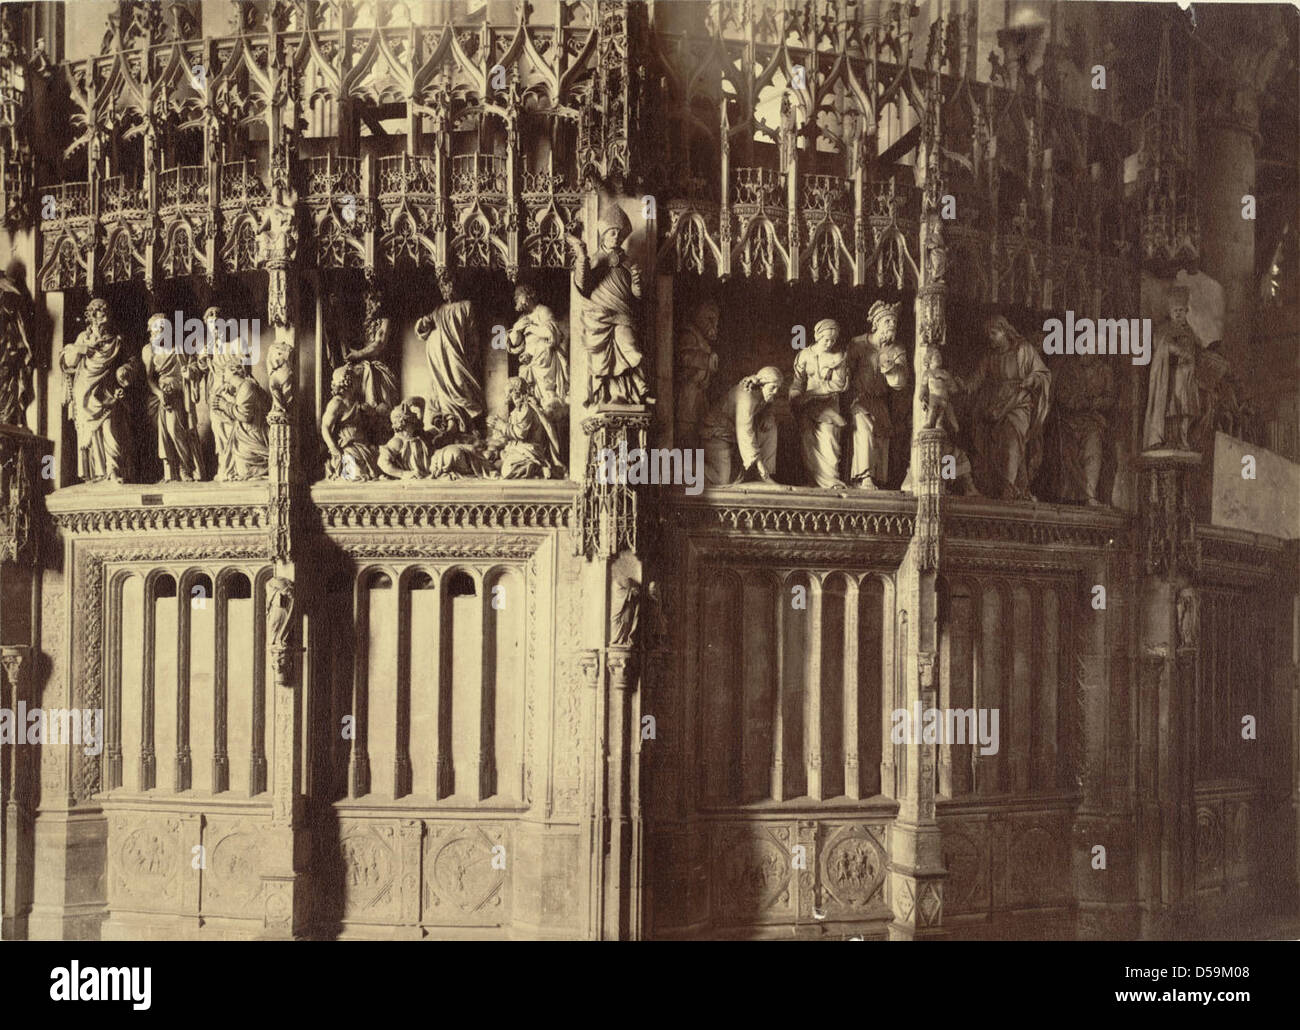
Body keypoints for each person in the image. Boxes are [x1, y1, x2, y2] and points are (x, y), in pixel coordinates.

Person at [570, 204, 648, 405]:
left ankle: (636, 391)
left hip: (623, 315)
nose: (616, 237)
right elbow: (582, 285)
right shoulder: (596, 259)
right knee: (603, 361)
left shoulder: (629, 262)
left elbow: (637, 296)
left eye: (620, 235)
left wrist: (637, 283)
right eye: (612, 233)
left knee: (631, 349)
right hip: (599, 317)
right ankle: (609, 395)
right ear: (603, 235)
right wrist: (581, 255)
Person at [968, 315, 1051, 501]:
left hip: (1019, 403)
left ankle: (1009, 488)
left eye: (994, 333)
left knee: (1012, 439)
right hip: (996, 406)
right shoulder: (990, 358)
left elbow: (1043, 373)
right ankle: (1015, 487)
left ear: (1005, 331)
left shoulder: (1024, 350)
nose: (990, 337)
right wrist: (958, 385)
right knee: (998, 447)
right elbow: (975, 382)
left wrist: (1032, 379)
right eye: (988, 334)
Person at [60, 299, 133, 483]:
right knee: (90, 433)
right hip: (85, 389)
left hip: (107, 390)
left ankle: (112, 471)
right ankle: (96, 474)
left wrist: (124, 371)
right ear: (92, 315)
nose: (105, 314)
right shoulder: (83, 338)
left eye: (107, 311)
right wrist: (82, 349)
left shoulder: (116, 341)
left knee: (110, 431)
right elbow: (69, 362)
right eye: (100, 311)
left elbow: (133, 362)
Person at [141, 312, 206, 482]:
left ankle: (186, 467)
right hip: (161, 394)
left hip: (178, 392)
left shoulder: (180, 347)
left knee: (175, 430)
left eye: (163, 327)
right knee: (163, 435)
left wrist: (189, 372)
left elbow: (194, 365)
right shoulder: (149, 350)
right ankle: (170, 471)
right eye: (156, 328)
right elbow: (148, 379)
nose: (160, 331)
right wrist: (159, 393)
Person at [417, 276, 483, 434]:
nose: (445, 290)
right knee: (443, 387)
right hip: (437, 356)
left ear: (456, 286)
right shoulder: (438, 309)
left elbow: (472, 334)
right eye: (442, 288)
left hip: (456, 353)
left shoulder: (465, 306)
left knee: (460, 384)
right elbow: (422, 331)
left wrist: (470, 355)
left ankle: (468, 424)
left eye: (448, 286)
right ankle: (451, 423)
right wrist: (423, 323)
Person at [789, 318, 850, 488]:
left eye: (833, 340)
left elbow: (838, 384)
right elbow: (798, 381)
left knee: (830, 441)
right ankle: (812, 480)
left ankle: (831, 481)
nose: (829, 343)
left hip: (828, 407)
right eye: (826, 339)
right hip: (807, 408)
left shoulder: (838, 357)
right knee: (807, 442)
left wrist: (812, 393)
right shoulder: (804, 355)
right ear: (817, 336)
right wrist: (794, 396)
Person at [1142, 285, 1202, 451]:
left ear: (1186, 311)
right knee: (1173, 407)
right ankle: (1172, 438)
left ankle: (1184, 438)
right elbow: (1163, 345)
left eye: (1181, 310)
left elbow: (1197, 347)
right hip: (1174, 375)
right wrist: (1181, 352)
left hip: (1189, 377)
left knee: (1187, 409)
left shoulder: (1190, 331)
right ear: (1170, 312)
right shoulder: (1165, 329)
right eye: (1175, 310)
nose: (1178, 313)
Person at [701, 367, 783, 486]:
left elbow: (768, 405)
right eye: (773, 387)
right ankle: (684, 466)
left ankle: (765, 475)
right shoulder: (746, 398)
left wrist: (767, 416)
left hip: (733, 435)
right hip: (716, 434)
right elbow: (745, 432)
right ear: (762, 385)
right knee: (721, 480)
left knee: (770, 426)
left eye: (778, 388)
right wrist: (758, 463)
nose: (775, 391)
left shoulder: (763, 392)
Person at [507, 284, 568, 418]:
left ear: (528, 296)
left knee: (546, 395)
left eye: (519, 297)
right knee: (525, 385)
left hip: (544, 358)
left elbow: (551, 333)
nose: (517, 300)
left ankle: (549, 402)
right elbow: (515, 342)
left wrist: (531, 328)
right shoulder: (522, 317)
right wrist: (517, 328)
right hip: (529, 360)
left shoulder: (543, 311)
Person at [491, 377, 563, 479]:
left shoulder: (526, 408)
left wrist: (502, 426)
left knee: (507, 471)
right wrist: (498, 428)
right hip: (517, 449)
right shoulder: (517, 410)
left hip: (529, 449)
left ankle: (538, 468)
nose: (506, 394)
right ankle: (532, 467)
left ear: (515, 391)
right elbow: (511, 433)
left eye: (508, 391)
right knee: (496, 465)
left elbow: (521, 433)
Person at [321, 364, 381, 481]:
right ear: (348, 382)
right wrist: (333, 448)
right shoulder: (336, 403)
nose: (359, 383)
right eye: (356, 379)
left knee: (377, 469)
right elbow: (325, 427)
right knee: (355, 475)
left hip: (363, 445)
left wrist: (370, 412)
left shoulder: (357, 402)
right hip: (346, 447)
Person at [676, 300, 720, 447]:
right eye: (710, 319)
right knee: (687, 429)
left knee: (700, 429)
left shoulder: (702, 338)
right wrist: (707, 360)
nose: (714, 325)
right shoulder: (690, 334)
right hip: (689, 392)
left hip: (700, 392)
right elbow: (684, 358)